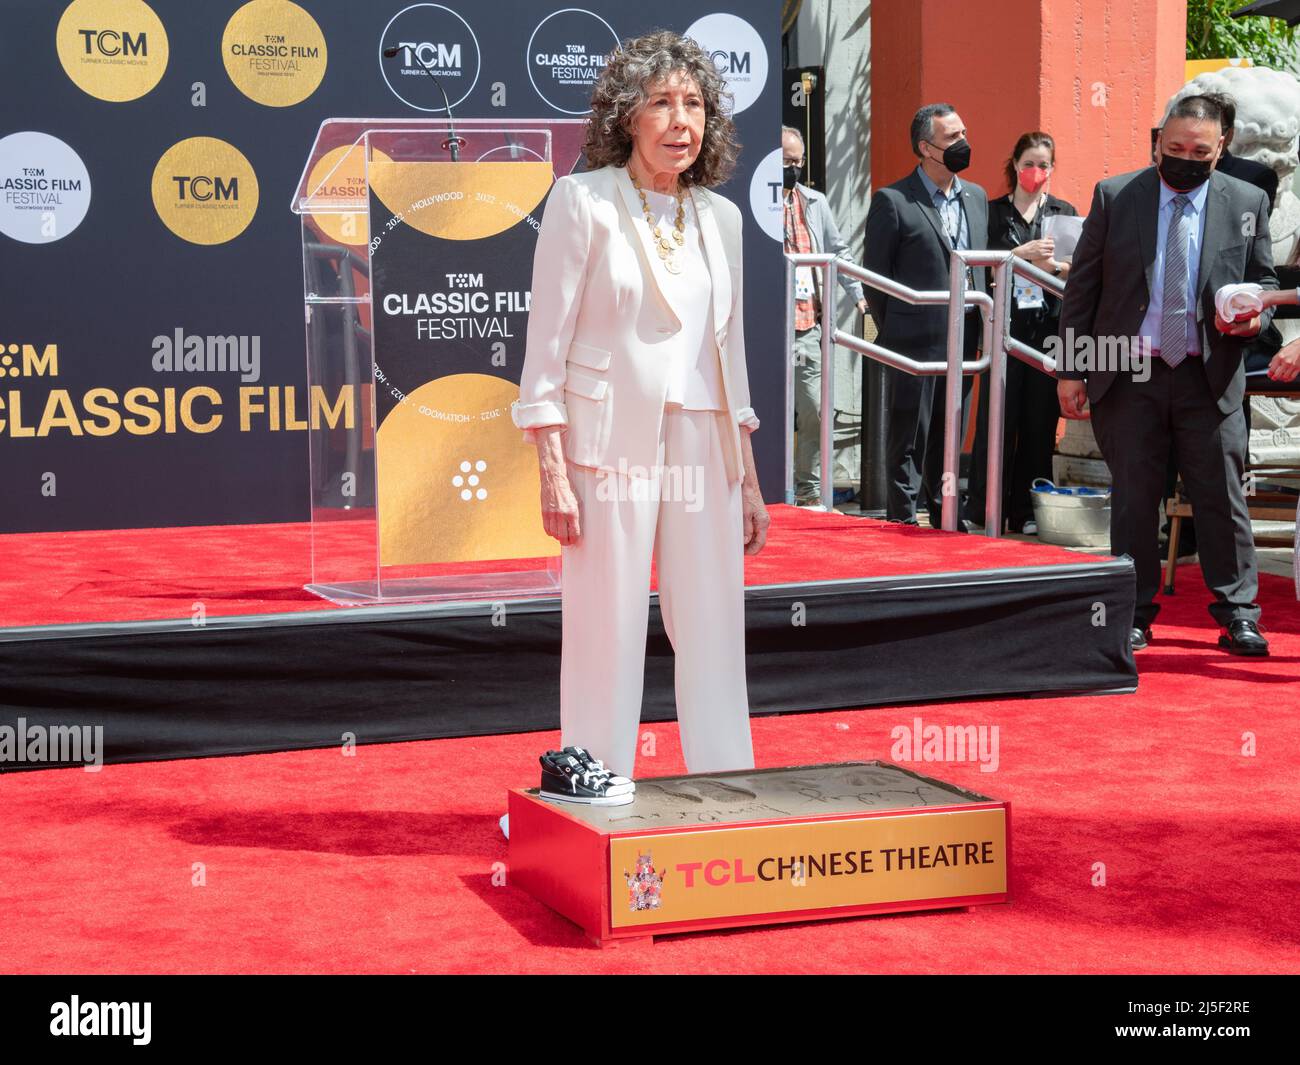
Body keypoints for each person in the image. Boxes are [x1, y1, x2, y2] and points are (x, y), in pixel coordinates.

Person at [508, 30, 768, 820]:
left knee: (715, 626)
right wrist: (552, 467)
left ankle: (730, 786)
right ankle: (590, 787)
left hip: (703, 443)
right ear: (628, 115)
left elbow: (732, 355)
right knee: (606, 626)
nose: (679, 120)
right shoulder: (581, 200)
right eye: (661, 102)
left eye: (693, 104)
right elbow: (544, 348)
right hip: (607, 443)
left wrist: (748, 480)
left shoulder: (722, 217)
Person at [1056, 94, 1277, 656]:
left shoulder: (1248, 200)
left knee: (1223, 499)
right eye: (1174, 148)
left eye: (1199, 151)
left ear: (1220, 147)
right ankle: (1131, 614)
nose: (1185, 158)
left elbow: (1264, 284)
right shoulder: (1116, 196)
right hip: (1129, 374)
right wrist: (1072, 368)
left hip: (1211, 375)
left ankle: (1239, 615)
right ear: (1157, 141)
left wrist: (1254, 315)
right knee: (1133, 498)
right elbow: (1083, 286)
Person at [863, 103, 988, 530]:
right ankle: (903, 518)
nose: (963, 143)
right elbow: (874, 279)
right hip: (913, 340)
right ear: (925, 148)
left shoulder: (976, 197)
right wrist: (898, 329)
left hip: (966, 335)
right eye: (952, 138)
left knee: (950, 430)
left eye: (963, 132)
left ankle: (944, 512)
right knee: (909, 435)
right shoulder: (894, 201)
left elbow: (981, 268)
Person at [969, 132, 1078, 534]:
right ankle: (984, 505)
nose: (1036, 172)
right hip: (1003, 328)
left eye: (1044, 165)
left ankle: (1030, 509)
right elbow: (978, 262)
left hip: (1047, 327)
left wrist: (1054, 268)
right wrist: (1020, 256)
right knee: (997, 418)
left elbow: (1078, 265)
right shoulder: (993, 212)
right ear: (1015, 164)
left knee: (1039, 421)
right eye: (1029, 163)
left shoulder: (1063, 212)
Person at [782, 125, 867, 506]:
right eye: (785, 161)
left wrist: (860, 298)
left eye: (797, 161)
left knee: (815, 408)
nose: (793, 168)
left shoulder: (813, 202)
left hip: (807, 327)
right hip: (767, 327)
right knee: (765, 412)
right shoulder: (754, 201)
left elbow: (839, 252)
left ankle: (809, 489)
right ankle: (768, 487)